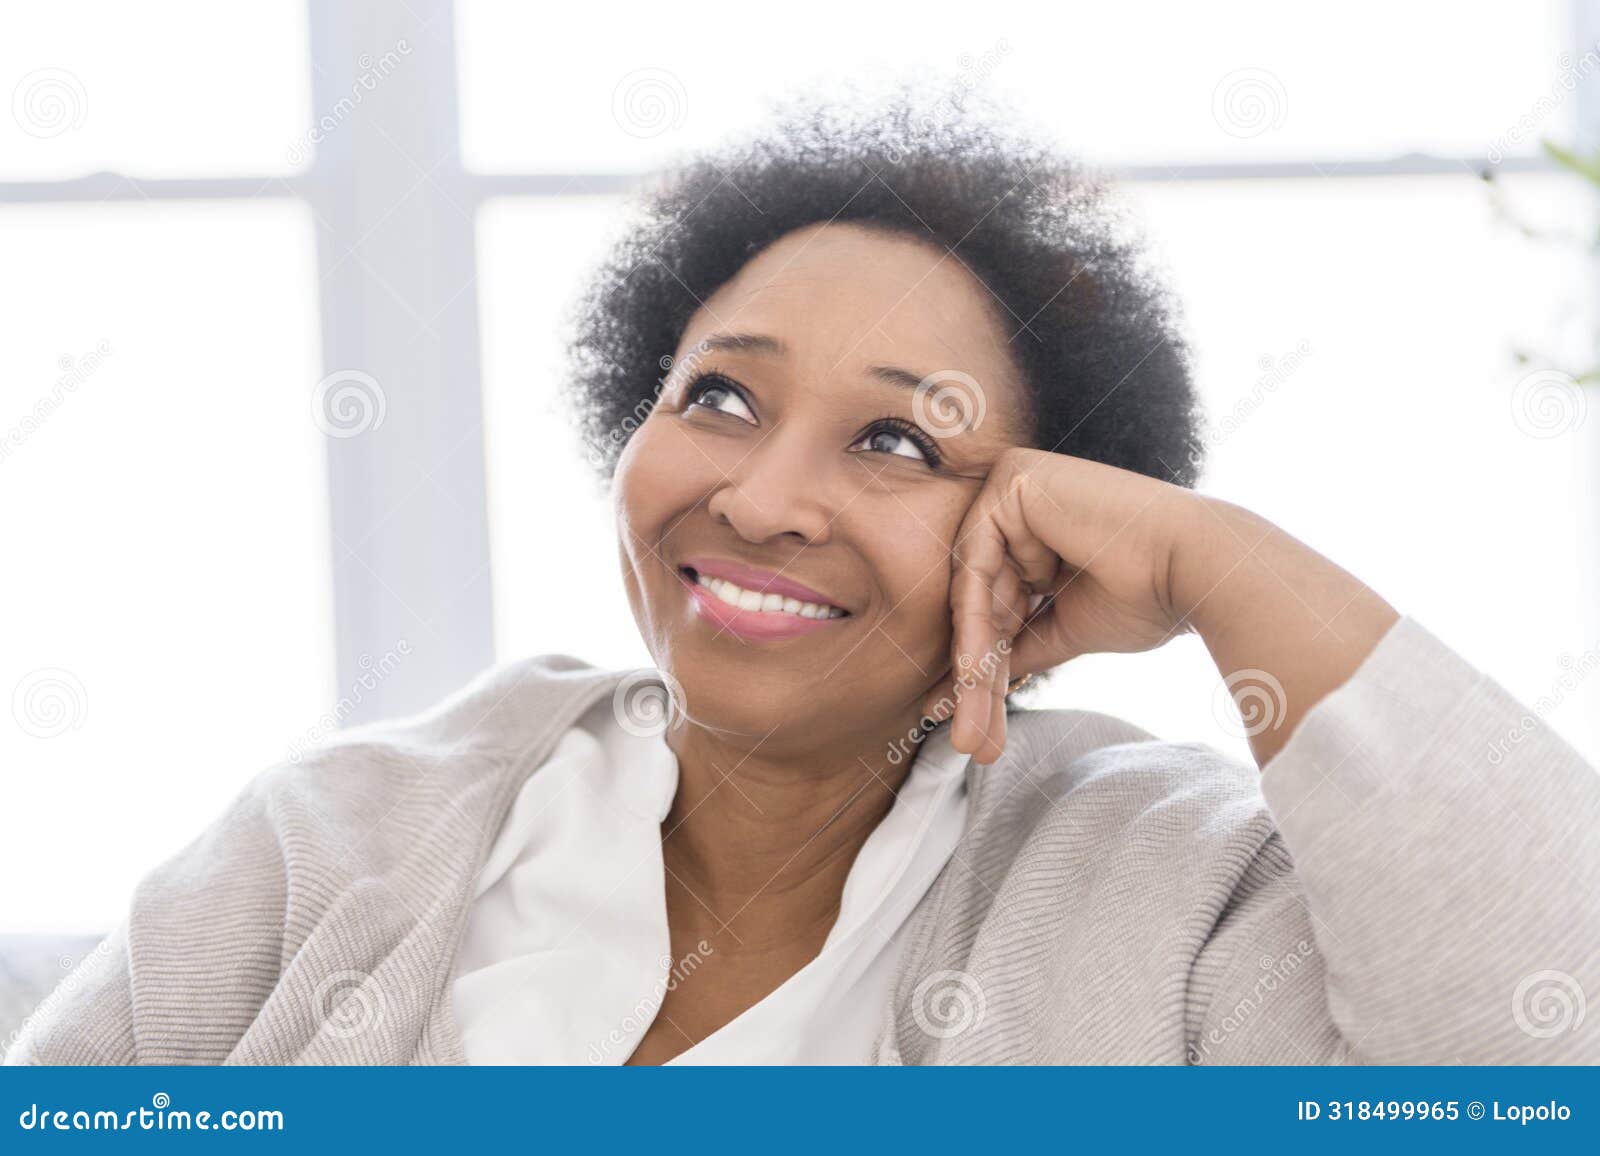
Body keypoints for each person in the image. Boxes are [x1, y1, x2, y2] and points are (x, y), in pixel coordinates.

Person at [8, 98, 1597, 1066]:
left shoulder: (1176, 894)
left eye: (897, 441)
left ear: (1046, 533)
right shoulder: (339, 837)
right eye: (719, 397)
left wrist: (1224, 560)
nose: (762, 500)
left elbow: (1546, 1058)